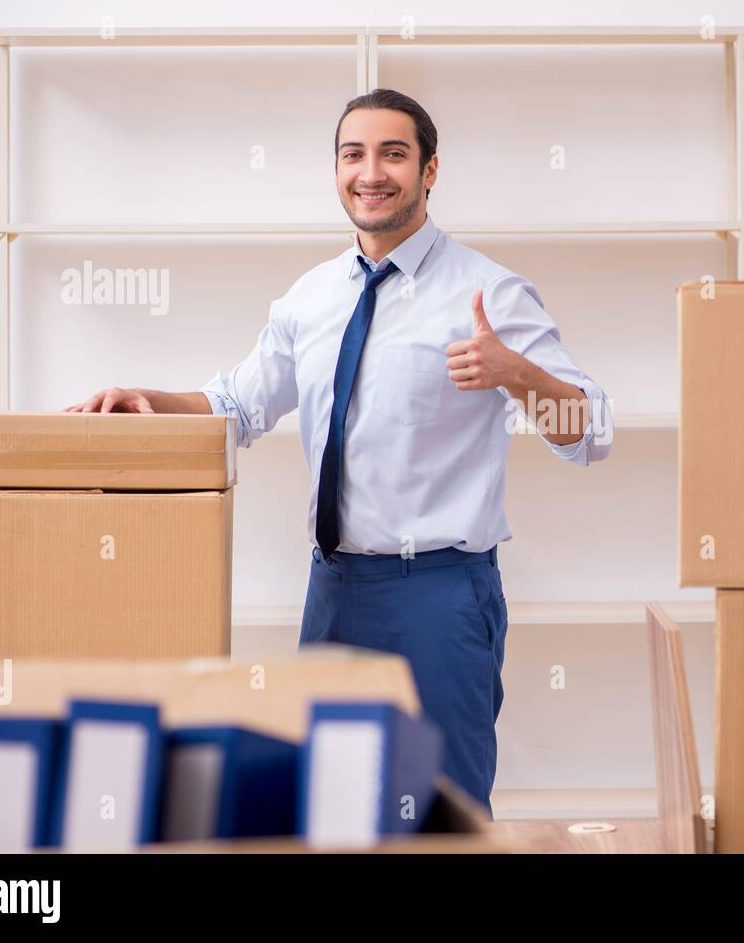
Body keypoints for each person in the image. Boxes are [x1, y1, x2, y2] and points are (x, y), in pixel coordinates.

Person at [64, 88, 613, 815]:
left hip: (441, 596)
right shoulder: (309, 299)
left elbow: (590, 430)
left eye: (394, 153)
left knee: (446, 812)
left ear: (430, 170)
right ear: (335, 170)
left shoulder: (489, 292)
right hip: (333, 592)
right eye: (354, 154)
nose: (371, 172)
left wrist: (516, 372)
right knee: (332, 808)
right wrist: (148, 399)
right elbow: (237, 403)